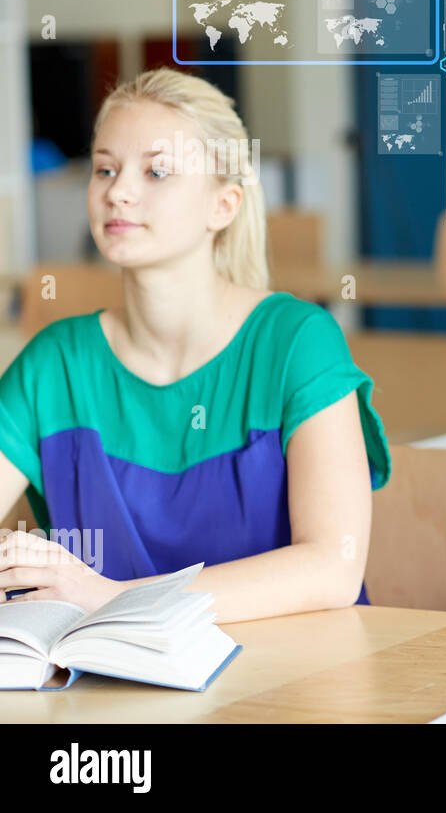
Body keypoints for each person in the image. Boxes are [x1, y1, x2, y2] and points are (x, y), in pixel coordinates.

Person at [0, 69, 390, 623]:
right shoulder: (53, 362)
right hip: (114, 699)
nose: (118, 191)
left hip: (297, 688)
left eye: (156, 171)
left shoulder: (298, 341)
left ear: (223, 206)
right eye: (105, 168)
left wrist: (111, 598)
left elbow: (333, 567)